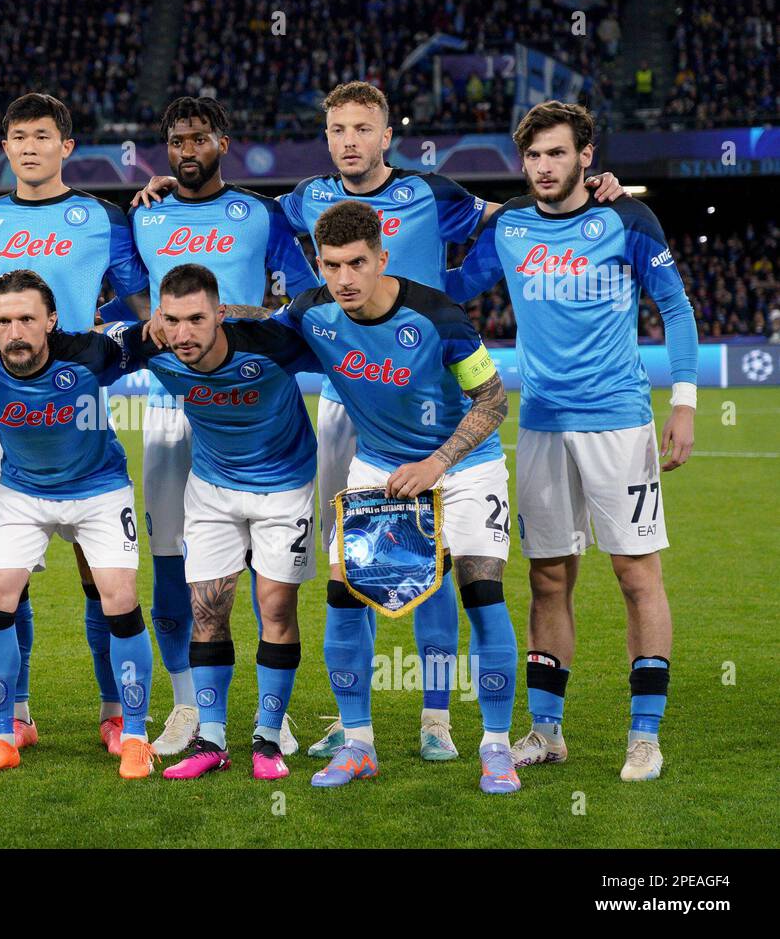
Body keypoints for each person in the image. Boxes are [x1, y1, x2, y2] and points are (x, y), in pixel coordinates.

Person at [135, 81, 625, 760]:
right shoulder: (303, 200)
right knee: (355, 569)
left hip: (429, 394)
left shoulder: (432, 193)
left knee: (434, 561)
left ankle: (436, 715)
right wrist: (175, 183)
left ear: (387, 134)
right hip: (347, 398)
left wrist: (592, 186)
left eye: (362, 129)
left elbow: (515, 214)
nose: (349, 142)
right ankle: (350, 720)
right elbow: (234, 216)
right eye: (337, 129)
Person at [446, 101, 698, 781]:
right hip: (543, 424)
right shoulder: (511, 227)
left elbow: (675, 307)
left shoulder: (626, 219)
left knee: (634, 572)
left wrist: (684, 401)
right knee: (549, 577)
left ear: (586, 156)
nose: (543, 167)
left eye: (557, 153)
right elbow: (451, 291)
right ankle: (546, 730)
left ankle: (644, 736)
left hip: (619, 420)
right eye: (533, 156)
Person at [270, 200, 521, 794]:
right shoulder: (313, 312)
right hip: (378, 467)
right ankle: (358, 743)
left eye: (357, 263)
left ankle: (496, 747)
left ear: (382, 258)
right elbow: (253, 329)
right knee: (343, 596)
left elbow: (493, 402)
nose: (345, 279)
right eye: (331, 265)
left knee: (483, 597)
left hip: (463, 469)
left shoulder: (441, 317)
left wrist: (437, 463)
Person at [0, 92, 151, 754]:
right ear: (4, 147)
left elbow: (140, 296)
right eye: (17, 136)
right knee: (7, 573)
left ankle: (116, 713)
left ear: (67, 146)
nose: (29, 146)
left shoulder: (104, 216)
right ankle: (18, 715)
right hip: (6, 408)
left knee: (100, 570)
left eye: (42, 135)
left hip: (80, 395)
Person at [119, 96, 319, 757]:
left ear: (222, 143)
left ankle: (272, 711)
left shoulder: (259, 215)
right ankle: (185, 703)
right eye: (176, 140)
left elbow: (303, 296)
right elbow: (133, 298)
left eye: (199, 138)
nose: (186, 150)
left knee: (269, 564)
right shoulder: (144, 215)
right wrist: (168, 328)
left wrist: (243, 313)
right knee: (174, 559)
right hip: (174, 404)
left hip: (255, 403)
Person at [112, 264, 320, 781]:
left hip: (284, 487)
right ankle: (212, 739)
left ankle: (268, 738)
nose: (184, 334)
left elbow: (341, 343)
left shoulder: (274, 343)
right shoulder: (153, 347)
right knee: (208, 609)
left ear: (221, 315)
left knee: (275, 608)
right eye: (173, 320)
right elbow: (82, 346)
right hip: (210, 490)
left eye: (197, 320)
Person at [0, 270, 157, 780]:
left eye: (27, 318)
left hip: (99, 489)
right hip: (22, 492)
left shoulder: (90, 353)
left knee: (119, 599)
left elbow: (160, 331)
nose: (15, 331)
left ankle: (133, 734)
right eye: (3, 321)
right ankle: (3, 736)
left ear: (51, 320)